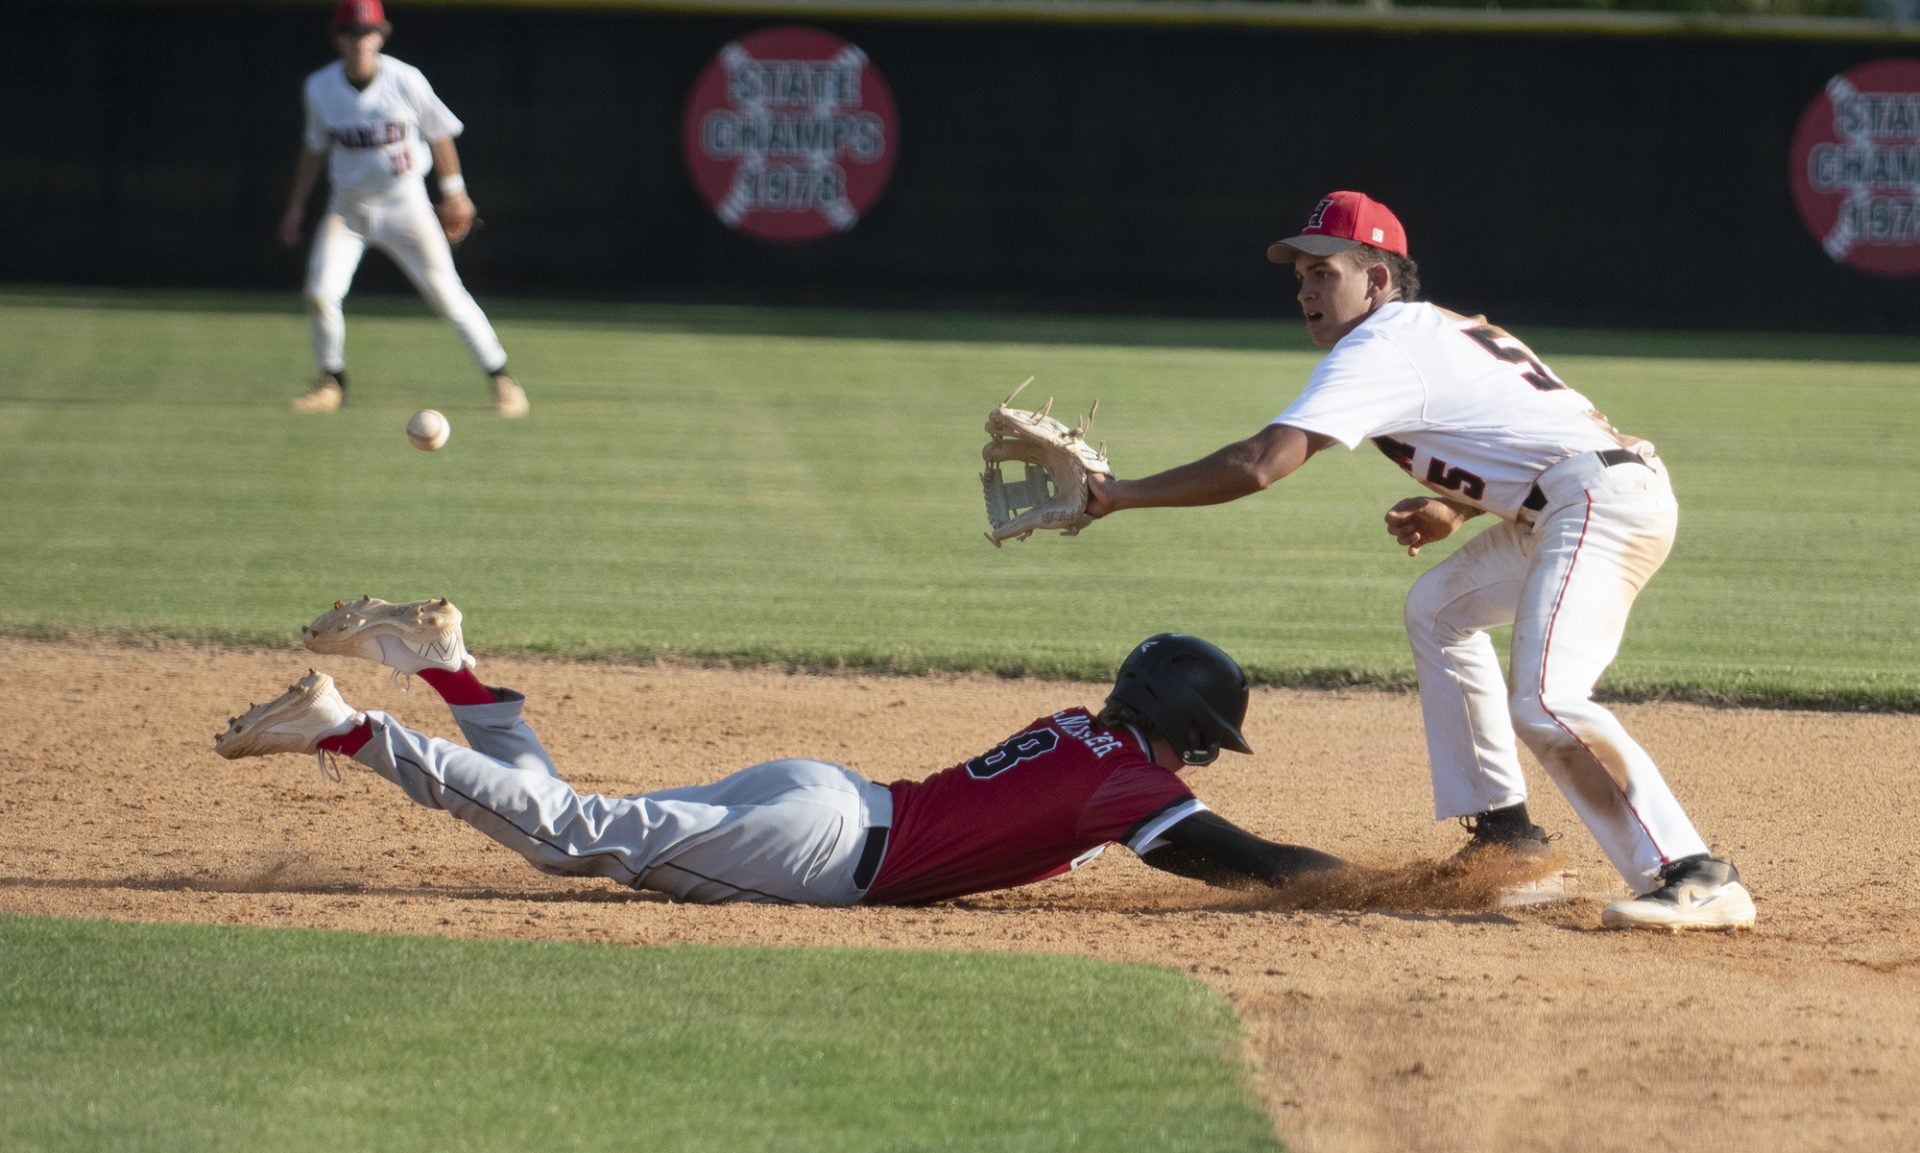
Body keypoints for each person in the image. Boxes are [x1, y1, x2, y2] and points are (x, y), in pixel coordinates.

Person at [1085, 191, 1754, 932]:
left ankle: (1694, 873)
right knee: (1438, 609)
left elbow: (1259, 463)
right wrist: (1457, 507)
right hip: (1577, 497)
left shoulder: (1381, 343)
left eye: (1324, 272)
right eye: (1300, 275)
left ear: (1377, 280)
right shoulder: (1432, 330)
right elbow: (1526, 433)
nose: (1305, 291)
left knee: (1547, 700)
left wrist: (1117, 495)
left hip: (1597, 504)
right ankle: (1509, 841)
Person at [214, 597, 1349, 906]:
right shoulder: (1129, 782)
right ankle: (350, 726)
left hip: (820, 794)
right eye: (1204, 745)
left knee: (581, 816)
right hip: (816, 852)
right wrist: (1369, 884)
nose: (1198, 766)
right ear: (1182, 727)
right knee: (571, 837)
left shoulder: (1076, 729)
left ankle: (450, 668)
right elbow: (1240, 860)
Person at [277, 0, 528, 417]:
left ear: (382, 34)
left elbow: (440, 133)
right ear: (338, 37)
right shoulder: (320, 87)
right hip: (348, 210)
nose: (361, 41)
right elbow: (313, 149)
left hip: (405, 204)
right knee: (321, 293)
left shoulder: (404, 79)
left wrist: (455, 191)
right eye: (352, 32)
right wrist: (296, 207)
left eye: (368, 32)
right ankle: (331, 382)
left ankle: (502, 378)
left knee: (447, 294)